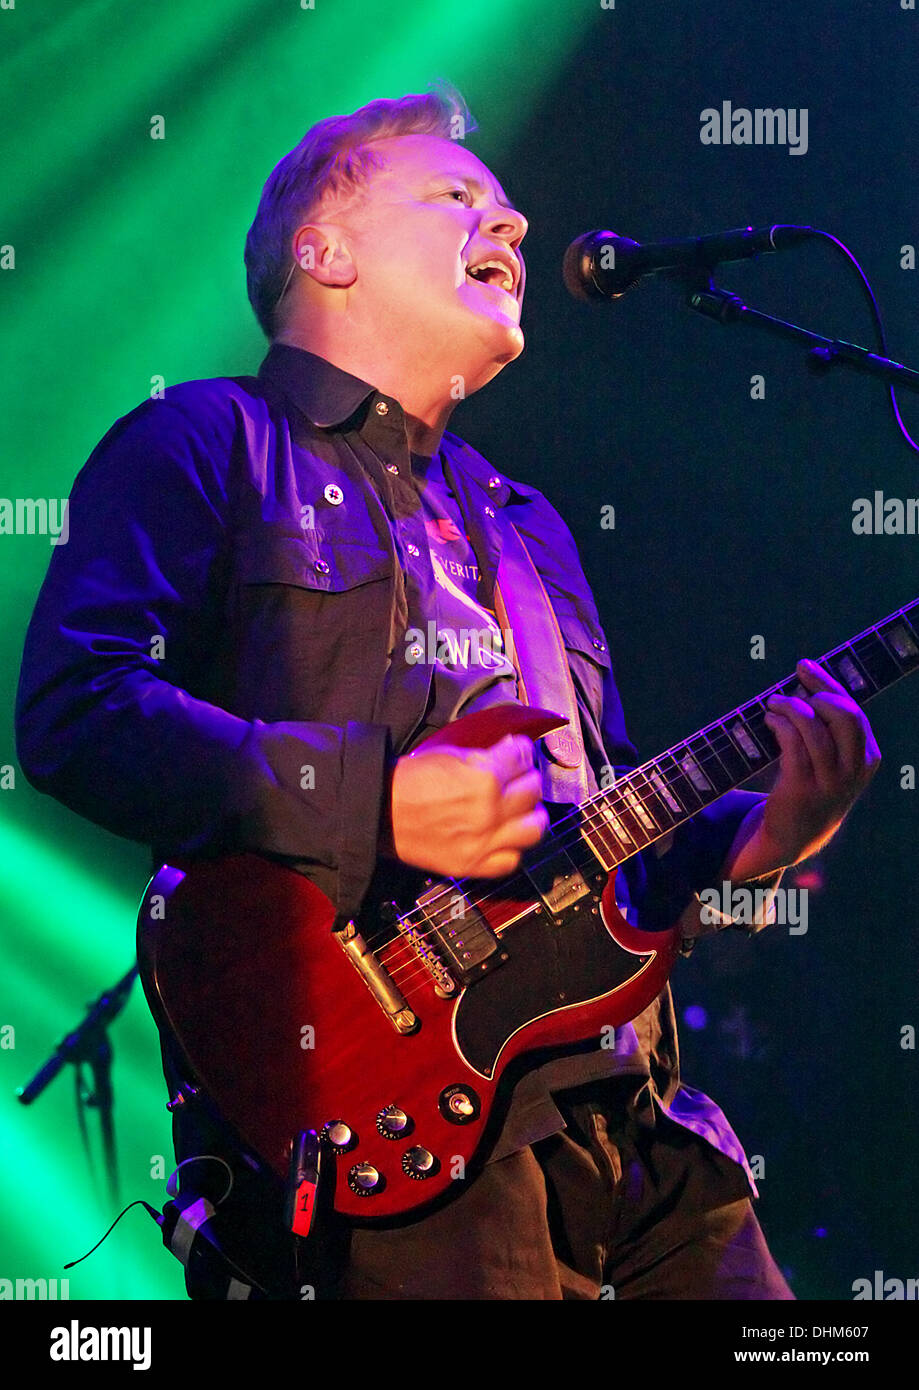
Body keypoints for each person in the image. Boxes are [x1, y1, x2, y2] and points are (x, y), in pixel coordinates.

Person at [15, 84, 880, 1301]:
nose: (513, 221)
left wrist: (755, 839)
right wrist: (375, 805)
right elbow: (74, 711)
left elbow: (603, 833)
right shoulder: (200, 447)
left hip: (645, 1129)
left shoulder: (530, 528)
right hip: (400, 1127)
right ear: (325, 251)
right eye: (458, 195)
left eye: (505, 203)